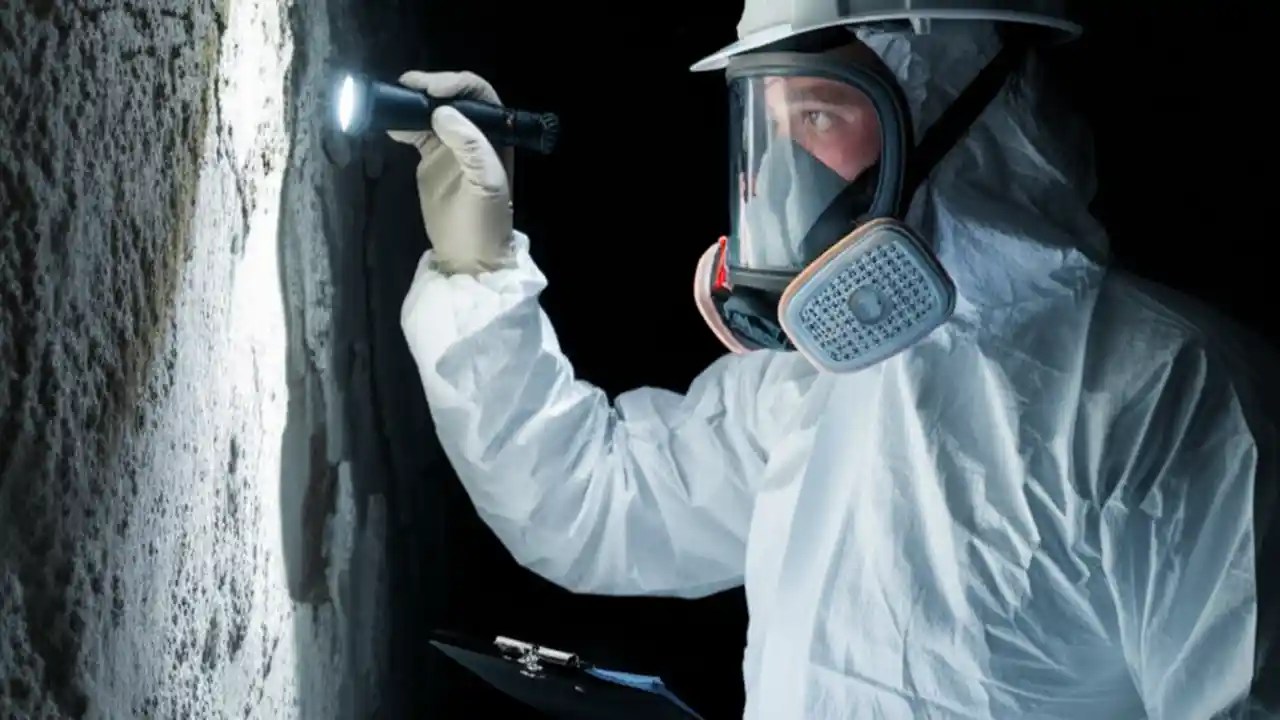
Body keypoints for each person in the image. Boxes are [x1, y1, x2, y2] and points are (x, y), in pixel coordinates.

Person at [391, 1, 1278, 717]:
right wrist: (480, 272)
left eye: (816, 114)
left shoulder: (1171, 399)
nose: (781, 170)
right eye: (767, 121)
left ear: (953, 106)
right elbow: (591, 502)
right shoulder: (813, 380)